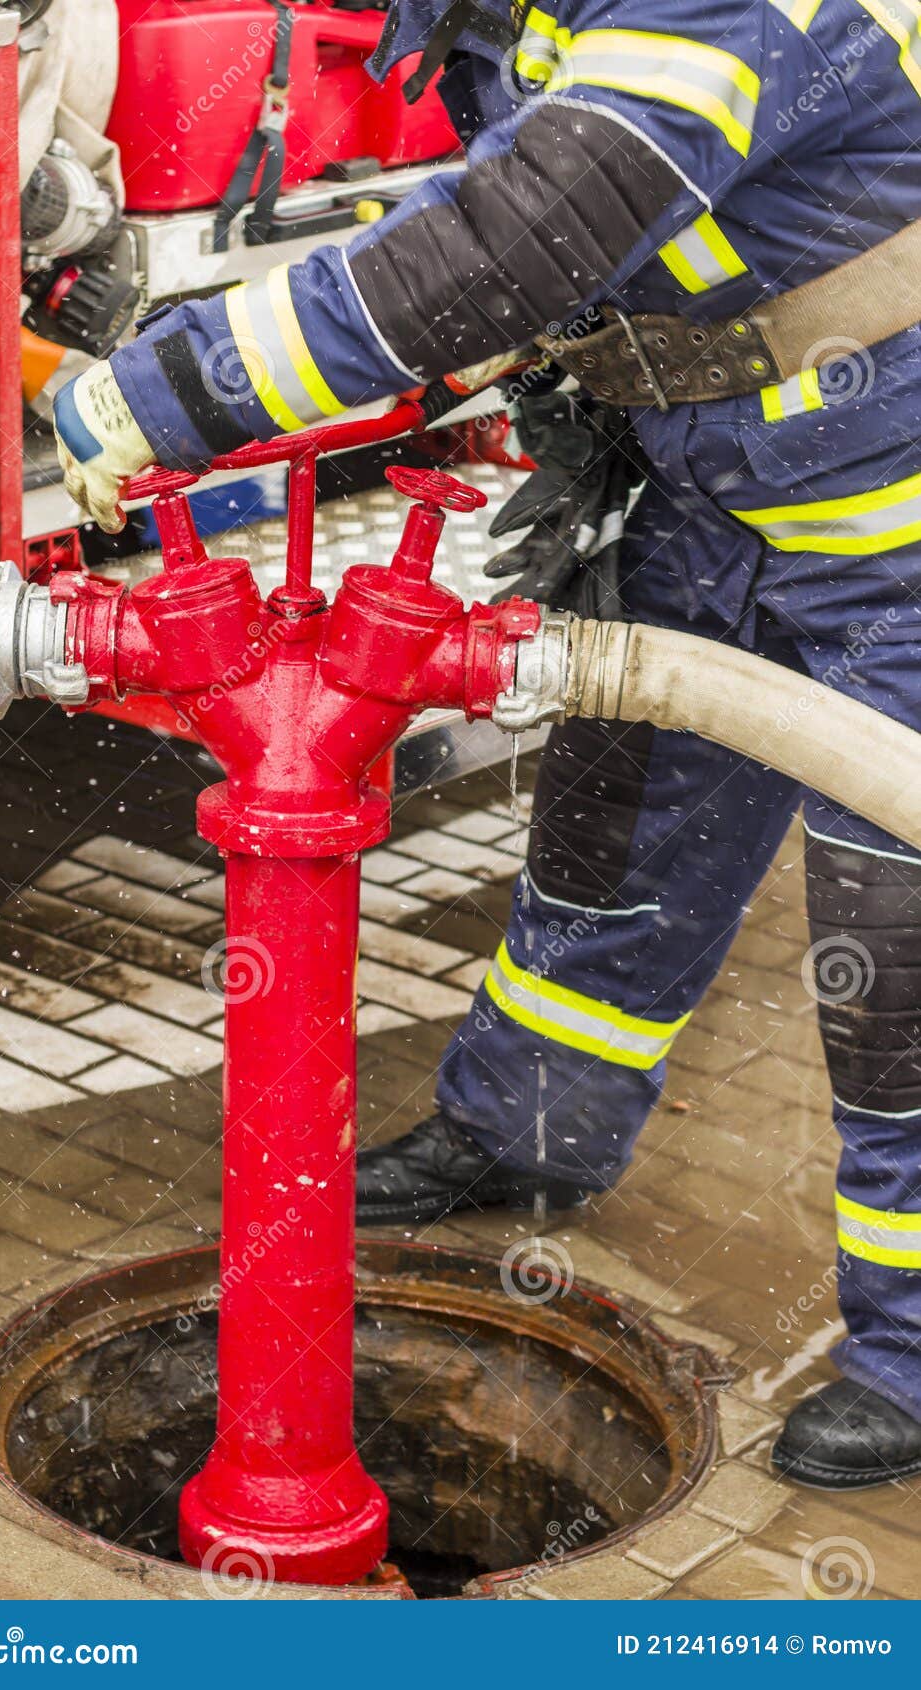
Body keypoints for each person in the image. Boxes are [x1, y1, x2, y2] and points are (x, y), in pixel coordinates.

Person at [55, 0, 921, 1489]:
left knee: (895, 947)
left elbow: (504, 243)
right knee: (616, 834)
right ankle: (529, 1131)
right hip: (711, 487)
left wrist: (160, 394)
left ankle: (912, 1350)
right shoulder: (509, 14)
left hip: (893, 528)